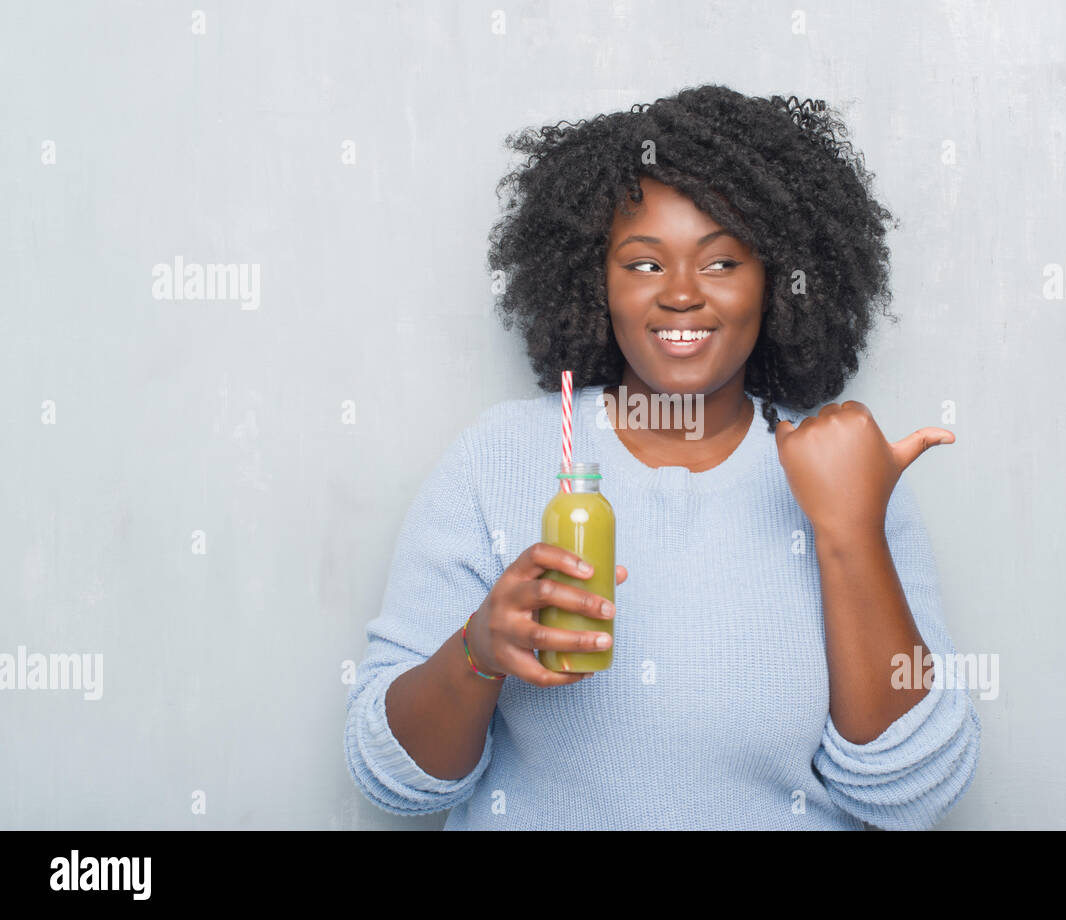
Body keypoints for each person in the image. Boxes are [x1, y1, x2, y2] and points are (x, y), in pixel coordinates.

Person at [344, 84, 981, 829]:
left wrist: (850, 530)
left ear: (775, 282)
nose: (680, 295)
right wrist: (476, 653)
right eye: (644, 264)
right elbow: (394, 782)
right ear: (595, 280)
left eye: (721, 264)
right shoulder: (499, 457)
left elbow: (914, 794)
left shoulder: (852, 469)